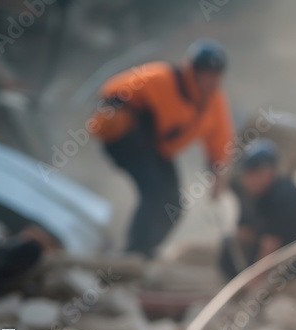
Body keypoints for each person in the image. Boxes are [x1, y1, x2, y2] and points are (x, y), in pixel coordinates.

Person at [92, 39, 234, 257]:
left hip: (157, 150)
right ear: (193, 70)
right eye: (206, 72)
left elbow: (219, 138)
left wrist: (218, 174)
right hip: (127, 140)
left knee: (173, 206)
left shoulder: (214, 102)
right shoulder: (161, 78)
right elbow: (111, 91)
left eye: (216, 74)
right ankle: (132, 252)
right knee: (155, 194)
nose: (211, 79)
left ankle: (146, 250)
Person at [221, 139, 296, 316]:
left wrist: (250, 284)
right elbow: (245, 233)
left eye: (250, 174)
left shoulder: (283, 194)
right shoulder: (254, 196)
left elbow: (270, 246)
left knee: (268, 302)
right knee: (228, 246)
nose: (246, 180)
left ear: (266, 172)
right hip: (282, 262)